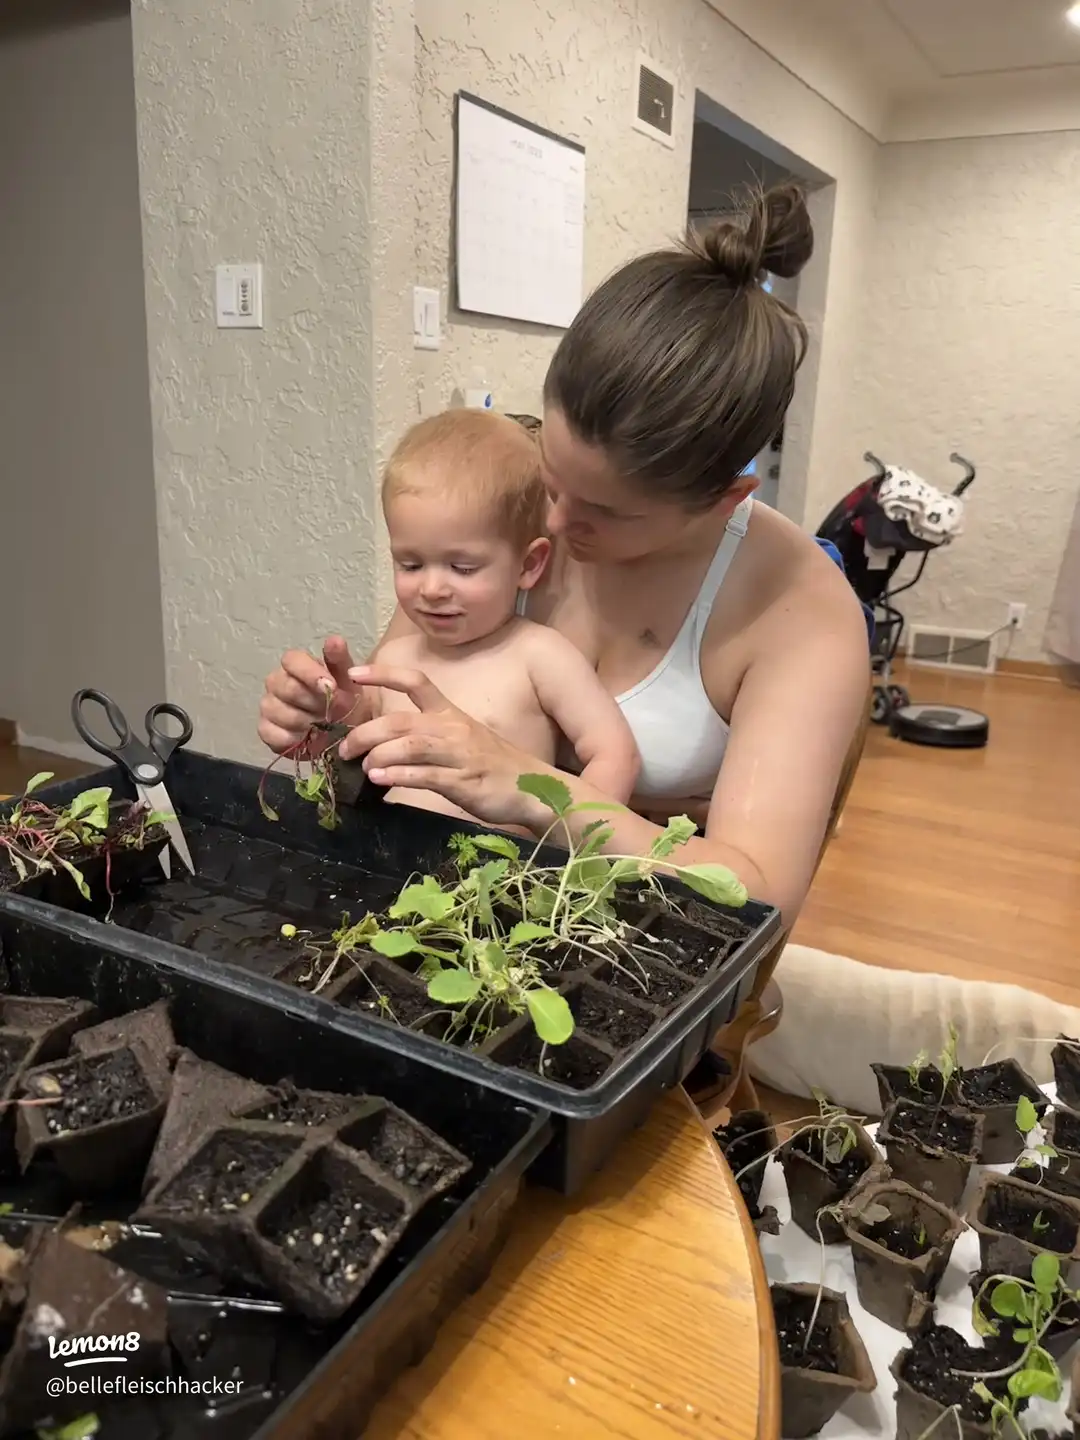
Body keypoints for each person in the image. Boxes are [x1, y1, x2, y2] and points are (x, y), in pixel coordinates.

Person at [258, 183, 869, 926]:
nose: (552, 519)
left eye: (607, 512)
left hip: (633, 930)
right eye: (550, 472)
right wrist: (337, 724)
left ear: (726, 498)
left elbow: (756, 890)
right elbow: (404, 715)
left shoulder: (795, 611)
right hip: (439, 894)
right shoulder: (506, 492)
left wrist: (534, 787)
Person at [320, 407, 639, 826]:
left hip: (504, 880)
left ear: (528, 565)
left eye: (463, 568)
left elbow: (616, 753)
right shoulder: (393, 660)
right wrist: (325, 711)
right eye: (411, 565)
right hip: (391, 870)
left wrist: (565, 851)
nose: (432, 589)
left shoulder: (539, 655)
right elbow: (348, 747)